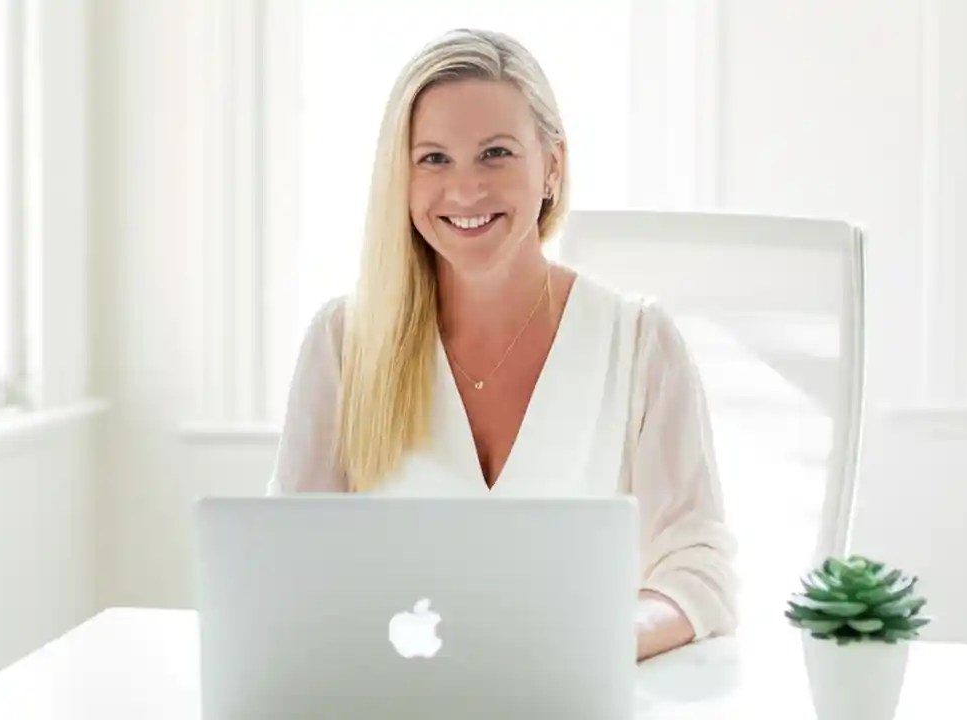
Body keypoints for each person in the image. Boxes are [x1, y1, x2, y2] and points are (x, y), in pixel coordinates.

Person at [268, 28, 737, 661]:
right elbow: (287, 568)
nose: (465, 190)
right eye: (433, 158)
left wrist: (609, 636)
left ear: (552, 168)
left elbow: (698, 569)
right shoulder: (342, 343)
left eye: (495, 153)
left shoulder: (640, 344)